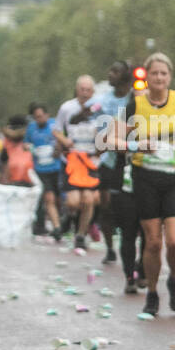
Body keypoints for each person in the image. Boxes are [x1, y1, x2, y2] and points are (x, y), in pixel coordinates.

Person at [117, 53, 175, 316]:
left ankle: (173, 279)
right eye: (154, 73)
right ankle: (152, 292)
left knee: (174, 241)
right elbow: (110, 139)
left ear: (169, 77)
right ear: (147, 76)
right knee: (153, 243)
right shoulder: (134, 106)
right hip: (146, 178)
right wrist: (136, 144)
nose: (159, 78)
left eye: (164, 73)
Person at [54, 75, 102, 248]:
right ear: (77, 90)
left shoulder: (99, 110)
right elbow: (56, 130)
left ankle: (80, 235)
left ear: (93, 92)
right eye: (82, 89)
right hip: (72, 160)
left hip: (90, 161)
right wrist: (64, 141)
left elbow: (105, 131)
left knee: (89, 200)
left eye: (88, 90)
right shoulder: (67, 108)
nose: (85, 93)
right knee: (74, 201)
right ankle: (70, 215)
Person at [95, 61, 134, 267]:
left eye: (115, 71)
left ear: (126, 75)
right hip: (109, 160)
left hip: (130, 159)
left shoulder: (136, 96)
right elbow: (99, 128)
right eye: (110, 70)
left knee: (128, 208)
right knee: (106, 206)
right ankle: (109, 247)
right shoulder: (104, 100)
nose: (110, 74)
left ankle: (130, 245)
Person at [26, 103, 62, 236]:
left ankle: (61, 222)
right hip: (41, 170)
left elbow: (64, 140)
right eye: (36, 117)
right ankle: (57, 227)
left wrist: (58, 149)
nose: (39, 119)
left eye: (40, 116)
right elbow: (26, 143)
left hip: (57, 168)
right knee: (49, 198)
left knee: (59, 200)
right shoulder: (31, 129)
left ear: (47, 115)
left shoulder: (54, 126)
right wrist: (31, 148)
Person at [0, 116, 35, 186]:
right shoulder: (7, 145)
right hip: (14, 184)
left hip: (29, 183)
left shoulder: (29, 143)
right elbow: (4, 165)